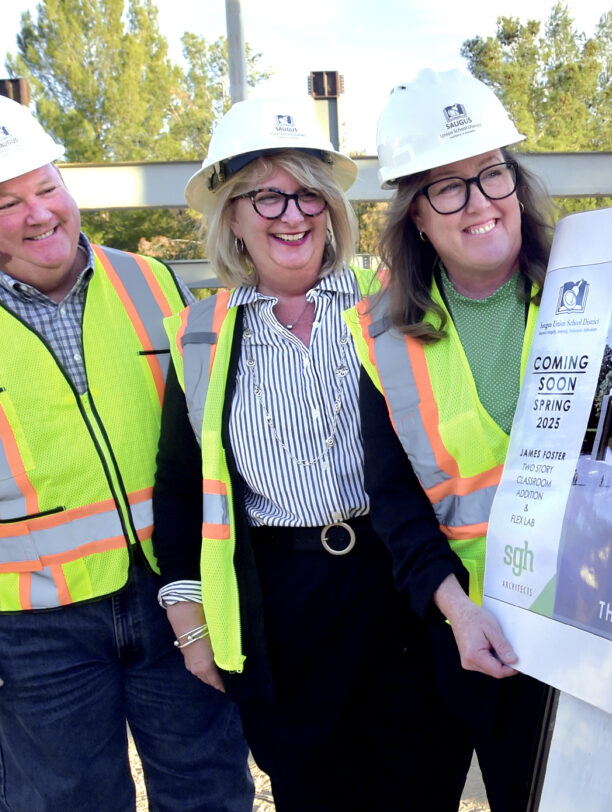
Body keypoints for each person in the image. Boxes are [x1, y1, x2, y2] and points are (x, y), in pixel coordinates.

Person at [0, 89, 253, 811]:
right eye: (4, 203)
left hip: (174, 600)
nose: (38, 212)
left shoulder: (152, 282)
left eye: (46, 187)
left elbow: (214, 436)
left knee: (209, 790)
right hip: (31, 634)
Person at [154, 95, 457, 811]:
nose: (292, 216)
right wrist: (193, 629)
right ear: (231, 214)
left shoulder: (396, 306)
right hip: (283, 606)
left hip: (401, 586)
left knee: (421, 785)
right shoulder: (201, 335)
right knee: (311, 790)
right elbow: (176, 494)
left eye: (308, 197)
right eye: (267, 197)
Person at [344, 68, 557, 812]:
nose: (479, 203)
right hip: (484, 628)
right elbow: (397, 506)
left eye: (491, 174)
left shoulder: (596, 282)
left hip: (608, 618)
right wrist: (458, 613)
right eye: (448, 187)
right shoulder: (381, 338)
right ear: (417, 217)